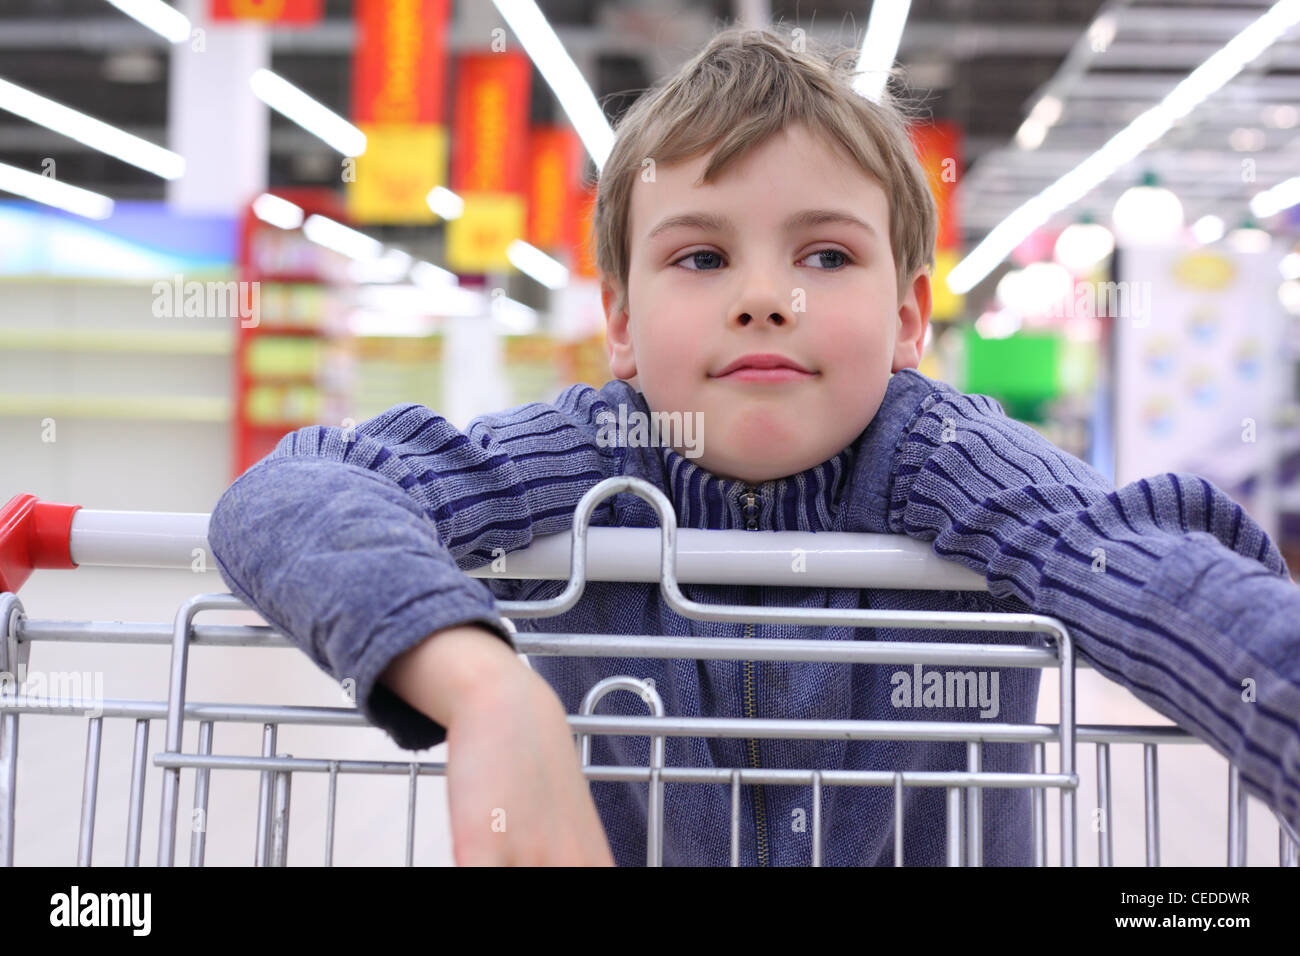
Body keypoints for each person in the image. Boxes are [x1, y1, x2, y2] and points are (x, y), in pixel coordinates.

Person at [207, 25, 1300, 866]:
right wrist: (486, 685)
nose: (766, 298)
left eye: (825, 255)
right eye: (700, 258)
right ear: (621, 322)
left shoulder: (950, 461)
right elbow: (298, 490)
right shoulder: (593, 451)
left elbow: (1148, 567)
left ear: (910, 317)